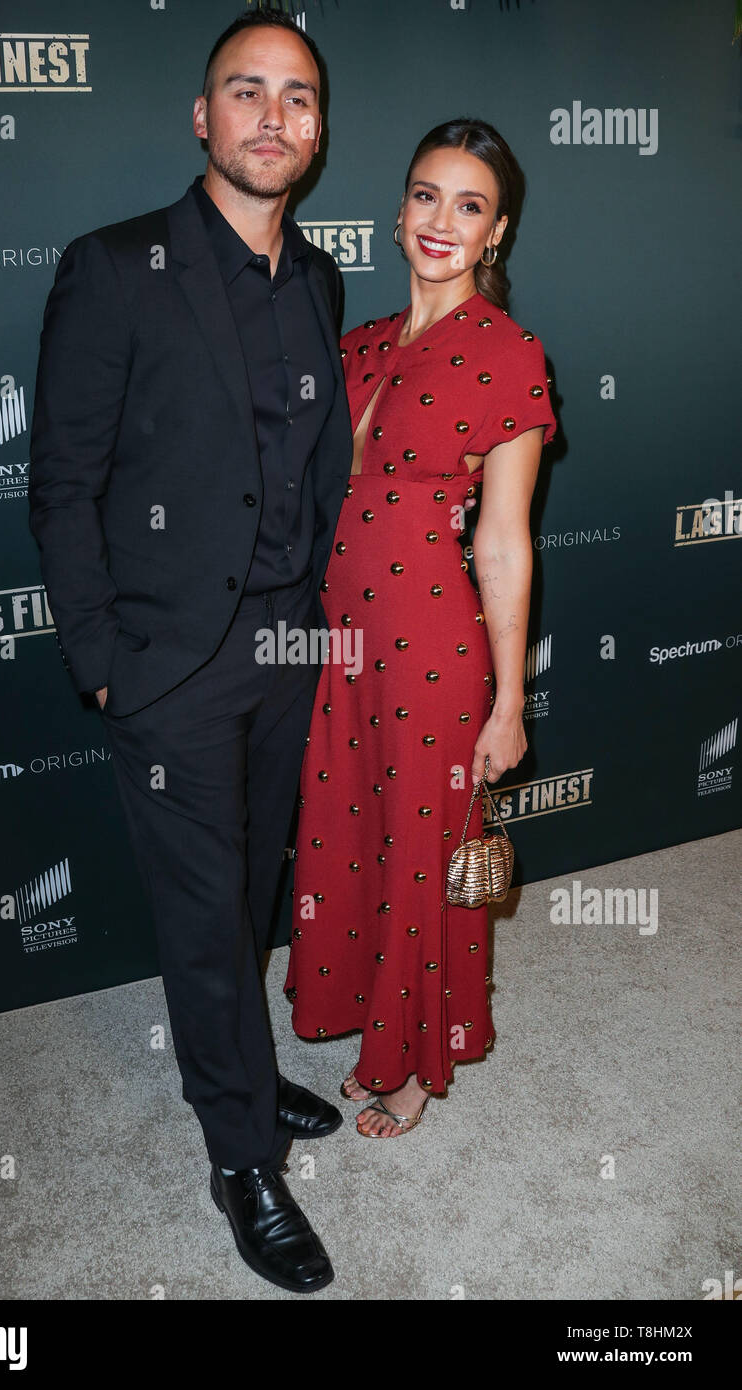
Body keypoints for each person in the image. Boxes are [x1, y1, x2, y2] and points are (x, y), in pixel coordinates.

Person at [28, 10, 355, 1293]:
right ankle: (240, 1156)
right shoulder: (115, 267)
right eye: (247, 92)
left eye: (298, 98)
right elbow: (62, 480)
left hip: (287, 640)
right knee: (198, 905)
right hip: (168, 660)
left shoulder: (319, 280)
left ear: (318, 132)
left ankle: (246, 1059)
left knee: (254, 886)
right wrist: (104, 657)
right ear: (202, 117)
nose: (274, 117)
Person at [285, 119, 558, 1137]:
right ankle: (368, 1021)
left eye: (468, 204)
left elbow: (501, 545)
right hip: (333, 644)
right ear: (397, 216)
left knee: (419, 855)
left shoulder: (508, 354)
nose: (441, 220)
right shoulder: (352, 342)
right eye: (425, 196)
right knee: (347, 837)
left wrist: (508, 701)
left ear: (495, 234)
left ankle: (414, 1059)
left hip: (428, 647)